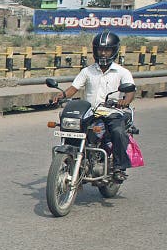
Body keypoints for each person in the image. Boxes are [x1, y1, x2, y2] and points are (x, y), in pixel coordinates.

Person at [53, 30, 135, 181]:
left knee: (118, 131)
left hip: (112, 111)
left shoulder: (122, 72)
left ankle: (119, 167)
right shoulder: (88, 71)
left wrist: (125, 101)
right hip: (90, 111)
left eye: (107, 49)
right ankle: (72, 157)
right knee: (70, 127)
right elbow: (74, 88)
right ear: (95, 50)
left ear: (114, 50)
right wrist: (62, 95)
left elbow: (130, 91)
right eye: (100, 49)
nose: (103, 53)